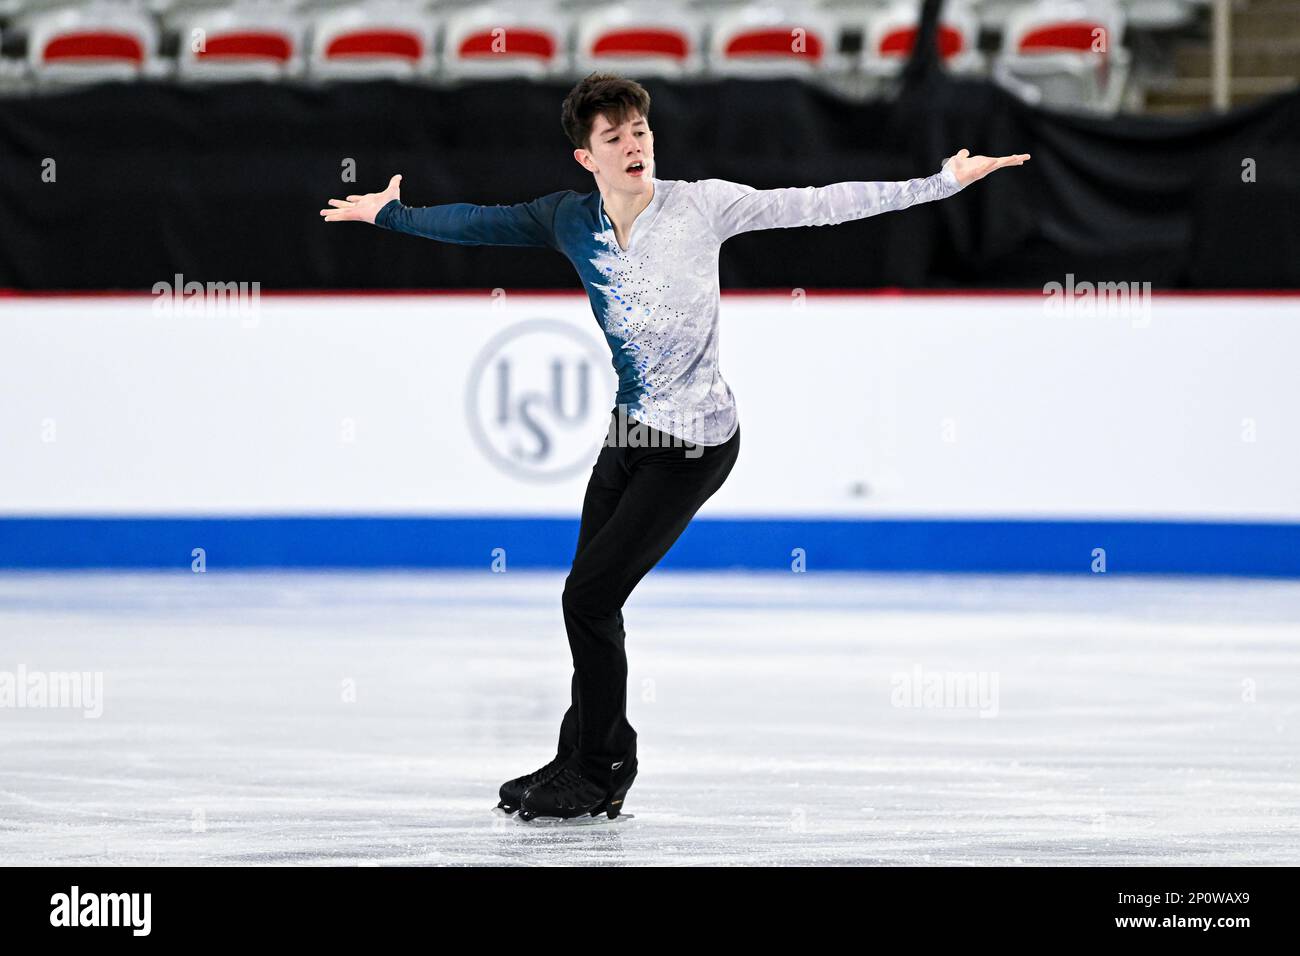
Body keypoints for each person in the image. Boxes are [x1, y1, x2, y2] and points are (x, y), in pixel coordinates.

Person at [320, 73, 1029, 824]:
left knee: (588, 598)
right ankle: (582, 755)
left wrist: (941, 182)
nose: (634, 146)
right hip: (629, 431)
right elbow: (477, 223)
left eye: (640, 133)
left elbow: (818, 203)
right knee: (591, 598)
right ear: (585, 157)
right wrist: (390, 215)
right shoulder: (568, 219)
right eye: (614, 137)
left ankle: (600, 772)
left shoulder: (701, 205)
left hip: (692, 445)